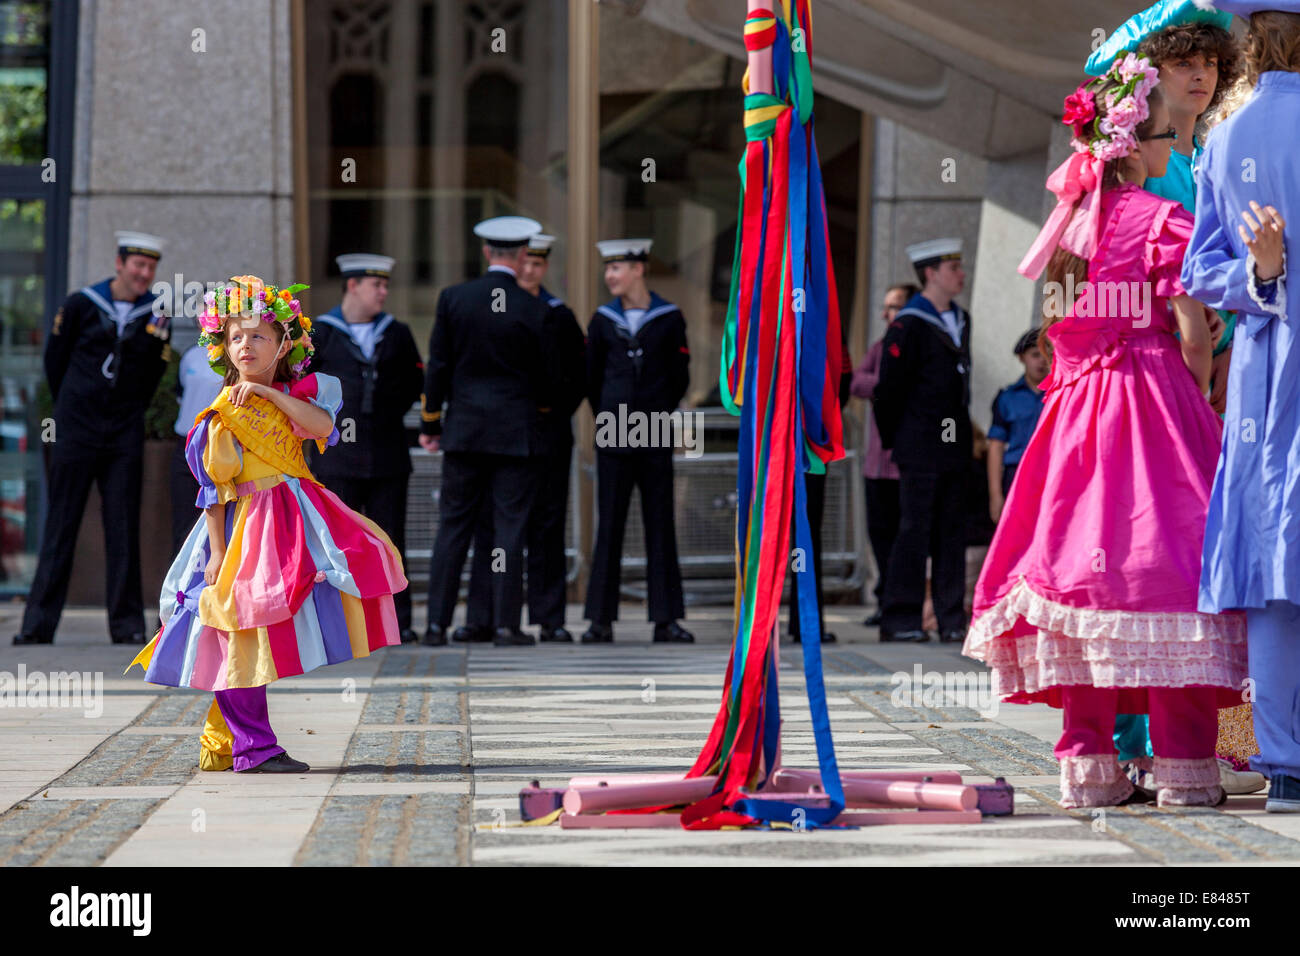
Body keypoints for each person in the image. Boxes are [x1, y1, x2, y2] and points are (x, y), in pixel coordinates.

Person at [965, 57, 1247, 808]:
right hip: (1152, 398)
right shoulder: (1163, 220)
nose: (1170, 147)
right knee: (1175, 569)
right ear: (1138, 143)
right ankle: (1187, 767)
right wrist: (1196, 386)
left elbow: (1059, 328)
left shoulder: (1070, 228)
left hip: (1077, 408)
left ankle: (1088, 766)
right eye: (1164, 135)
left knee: (1086, 576)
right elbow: (1192, 329)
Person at [129, 275, 407, 773]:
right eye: (236, 336)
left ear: (282, 345)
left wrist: (266, 394)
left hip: (298, 517)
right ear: (224, 348)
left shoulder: (302, 392)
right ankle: (253, 747)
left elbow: (322, 427)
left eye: (259, 336)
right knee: (236, 628)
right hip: (242, 527)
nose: (246, 345)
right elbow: (213, 492)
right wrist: (216, 553)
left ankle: (240, 741)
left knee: (272, 623)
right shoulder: (218, 416)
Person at [1086, 0, 1247, 793]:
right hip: (1160, 380)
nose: (1200, 73)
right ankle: (1143, 741)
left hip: (1217, 370)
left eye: (1211, 62)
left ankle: (1189, 743)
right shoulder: (1140, 166)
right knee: (1146, 556)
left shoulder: (1219, 150)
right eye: (1184, 60)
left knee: (1188, 556)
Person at [1181, 1, 1300, 813]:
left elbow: (1199, 270)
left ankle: (1286, 763)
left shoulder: (1225, 137)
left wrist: (1261, 276)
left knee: (1274, 566)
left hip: (1266, 372)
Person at [16, 231, 172, 646]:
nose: (144, 273)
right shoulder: (81, 304)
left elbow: (155, 371)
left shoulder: (156, 313)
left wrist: (128, 407)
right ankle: (36, 627)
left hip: (123, 431)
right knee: (61, 522)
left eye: (151, 267)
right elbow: (56, 361)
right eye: (138, 264)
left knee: (123, 525)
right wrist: (75, 405)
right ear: (119, 263)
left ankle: (127, 626)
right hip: (77, 429)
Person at [418, 217, 551, 648]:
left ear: (487, 253)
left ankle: (436, 624)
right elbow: (548, 376)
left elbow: (437, 367)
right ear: (521, 255)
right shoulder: (535, 307)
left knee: (453, 527)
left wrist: (431, 422)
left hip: (465, 432)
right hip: (515, 435)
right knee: (510, 530)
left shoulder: (455, 298)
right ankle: (507, 625)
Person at [456, 234, 587, 643]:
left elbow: (576, 376)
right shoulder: (495, 309)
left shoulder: (556, 314)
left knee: (546, 526)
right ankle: (484, 616)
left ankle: (550, 618)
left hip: (545, 436)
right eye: (524, 262)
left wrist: (549, 411)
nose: (528, 270)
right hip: (502, 438)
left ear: (543, 268)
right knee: (490, 529)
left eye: (536, 264)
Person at [306, 254, 423, 644]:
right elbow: (306, 387)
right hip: (338, 458)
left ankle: (396, 622)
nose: (384, 293)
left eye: (386, 285)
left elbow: (412, 383)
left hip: (387, 456)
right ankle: (343, 623)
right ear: (352, 286)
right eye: (377, 285)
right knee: (339, 542)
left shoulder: (397, 333)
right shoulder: (323, 333)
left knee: (390, 541)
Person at [582, 238, 693, 644]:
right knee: (608, 526)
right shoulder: (601, 320)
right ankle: (599, 620)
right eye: (608, 269)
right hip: (614, 434)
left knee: (660, 526)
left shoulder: (668, 317)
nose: (610, 275)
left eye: (618, 268)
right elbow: (591, 379)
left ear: (639, 269)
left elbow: (680, 374)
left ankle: (667, 620)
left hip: (656, 433)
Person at [872, 239, 973, 644]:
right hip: (919, 442)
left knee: (951, 531)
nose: (961, 275)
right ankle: (901, 618)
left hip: (953, 444)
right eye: (953, 269)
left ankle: (950, 618)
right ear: (931, 273)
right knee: (913, 531)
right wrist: (898, 440)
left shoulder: (961, 318)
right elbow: (888, 389)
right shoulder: (909, 322)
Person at [851, 283, 912, 627]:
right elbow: (856, 382)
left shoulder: (914, 345)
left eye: (895, 306)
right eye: (886, 307)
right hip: (876, 464)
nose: (886, 314)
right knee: (880, 535)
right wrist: (887, 385)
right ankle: (883, 600)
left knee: (906, 538)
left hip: (904, 464)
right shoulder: (879, 347)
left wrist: (887, 386)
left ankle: (902, 604)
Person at [170, 343, 225, 561]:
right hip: (185, 449)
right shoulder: (191, 353)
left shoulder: (241, 354)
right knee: (183, 528)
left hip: (222, 451)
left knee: (221, 533)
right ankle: (179, 593)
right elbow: (180, 393)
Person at [986, 329, 1047, 520]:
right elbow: (996, 446)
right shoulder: (1007, 397)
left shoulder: (1061, 395)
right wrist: (996, 495)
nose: (1041, 361)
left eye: (1047, 355)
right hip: (1016, 474)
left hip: (1050, 473)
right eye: (1035, 355)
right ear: (1022, 358)